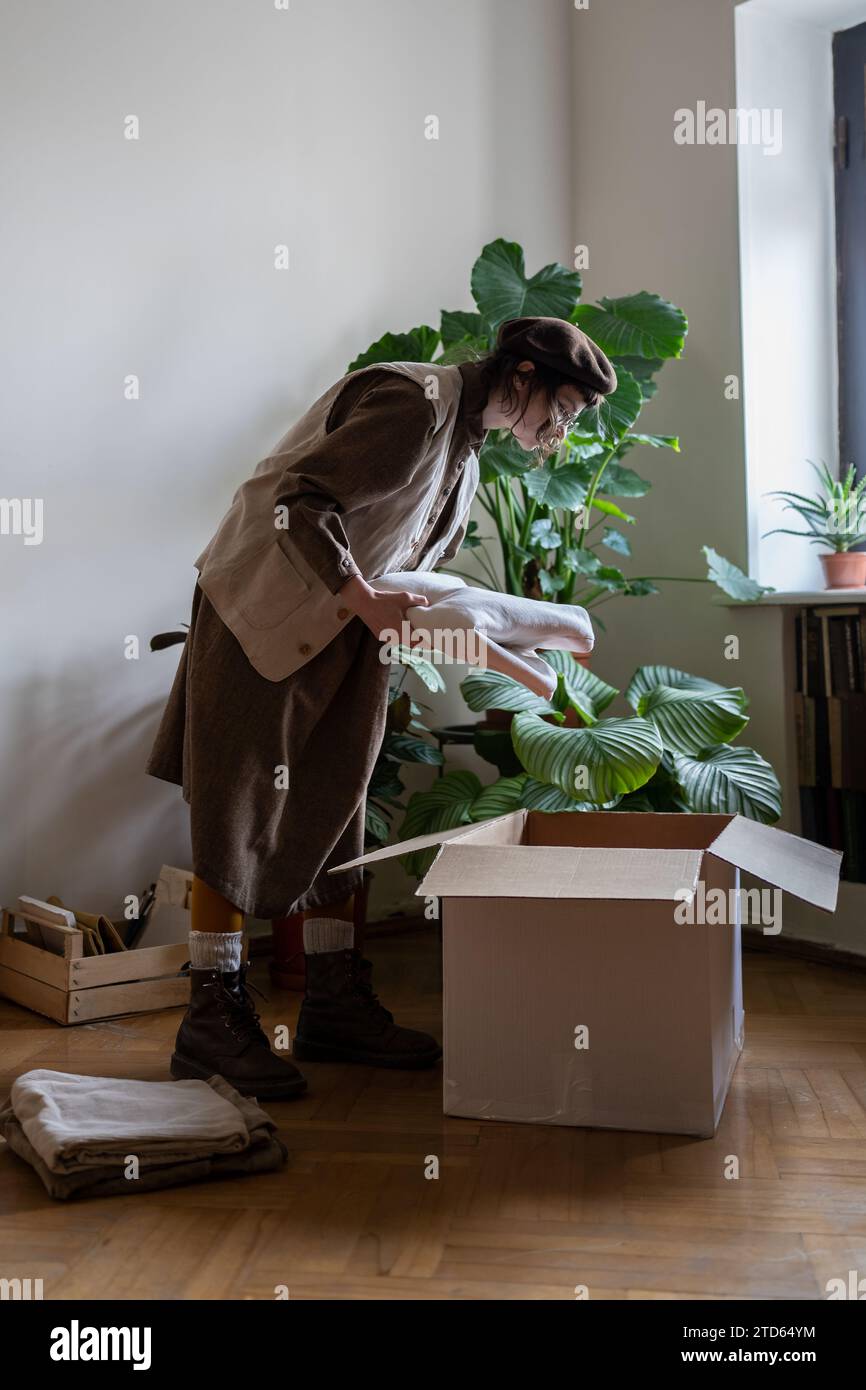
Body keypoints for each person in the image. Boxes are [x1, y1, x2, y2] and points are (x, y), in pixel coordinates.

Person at [145, 315, 618, 1099]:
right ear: (524, 378)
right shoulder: (414, 405)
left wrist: (523, 663)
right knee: (235, 808)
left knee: (340, 807)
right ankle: (210, 1019)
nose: (560, 431)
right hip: (259, 615)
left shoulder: (465, 455)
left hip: (344, 633)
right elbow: (298, 503)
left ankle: (332, 1001)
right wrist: (363, 599)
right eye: (561, 409)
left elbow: (416, 587)